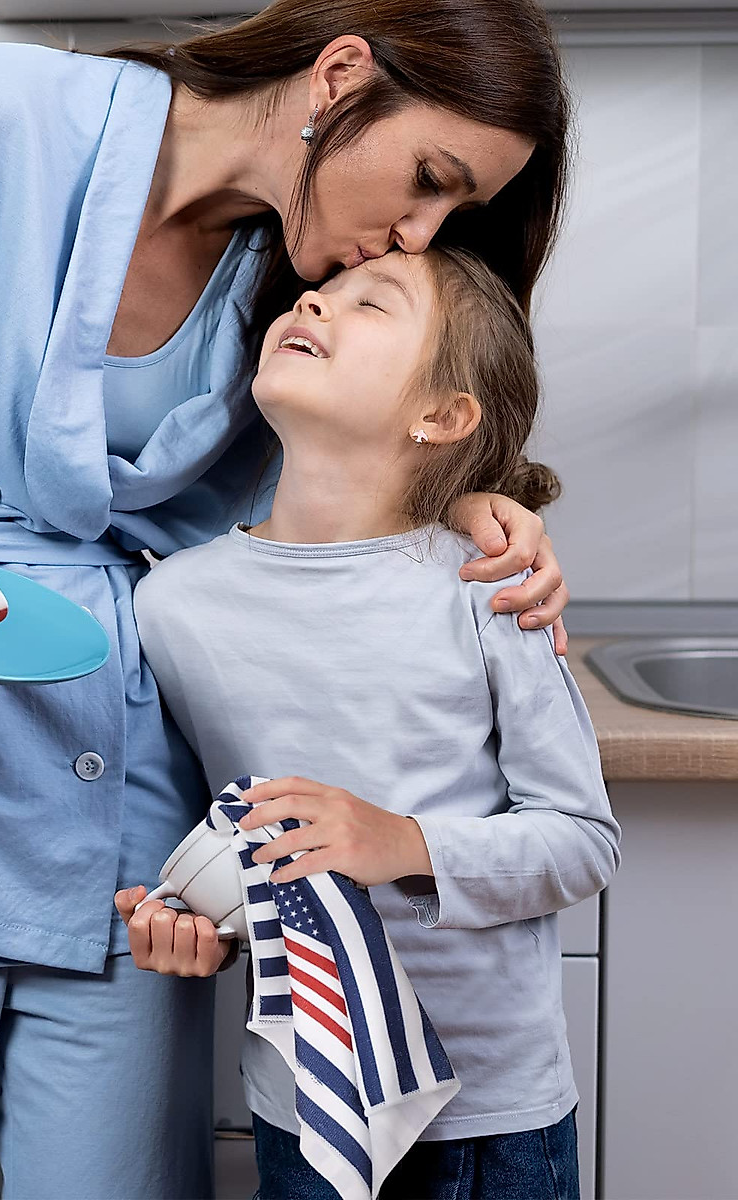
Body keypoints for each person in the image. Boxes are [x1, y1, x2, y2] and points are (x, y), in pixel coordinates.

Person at [0, 1, 576, 1195]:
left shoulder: (287, 294)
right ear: (340, 77)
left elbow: (342, 473)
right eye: (430, 180)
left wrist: (463, 501)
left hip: (123, 819)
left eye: (457, 214)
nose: (419, 231)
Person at [120, 245, 621, 1200]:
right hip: (304, 1100)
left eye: (372, 303)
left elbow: (585, 843)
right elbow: (206, 834)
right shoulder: (170, 605)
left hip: (490, 1115)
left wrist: (397, 842)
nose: (315, 299)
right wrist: (184, 920)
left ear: (441, 415)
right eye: (321, 290)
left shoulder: (486, 585)